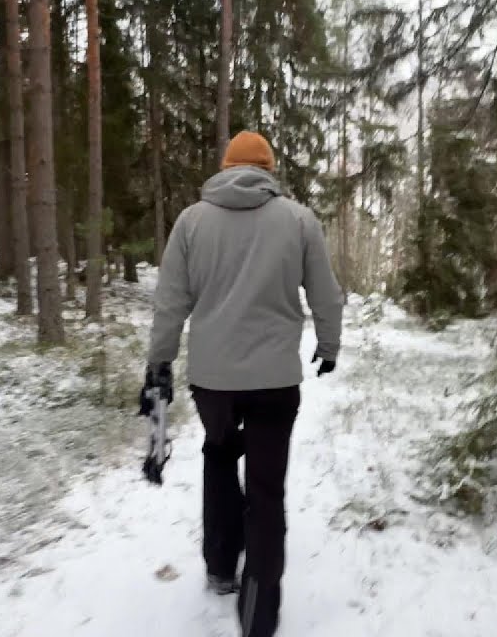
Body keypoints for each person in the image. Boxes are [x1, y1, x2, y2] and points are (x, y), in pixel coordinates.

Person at [145, 130, 343, 637]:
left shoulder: (191, 221)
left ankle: (218, 565)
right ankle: (259, 613)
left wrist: (160, 362)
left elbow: (171, 301)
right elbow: (326, 294)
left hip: (213, 381)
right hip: (275, 382)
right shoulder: (298, 220)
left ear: (227, 166)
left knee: (219, 455)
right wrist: (328, 345)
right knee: (266, 487)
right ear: (268, 170)